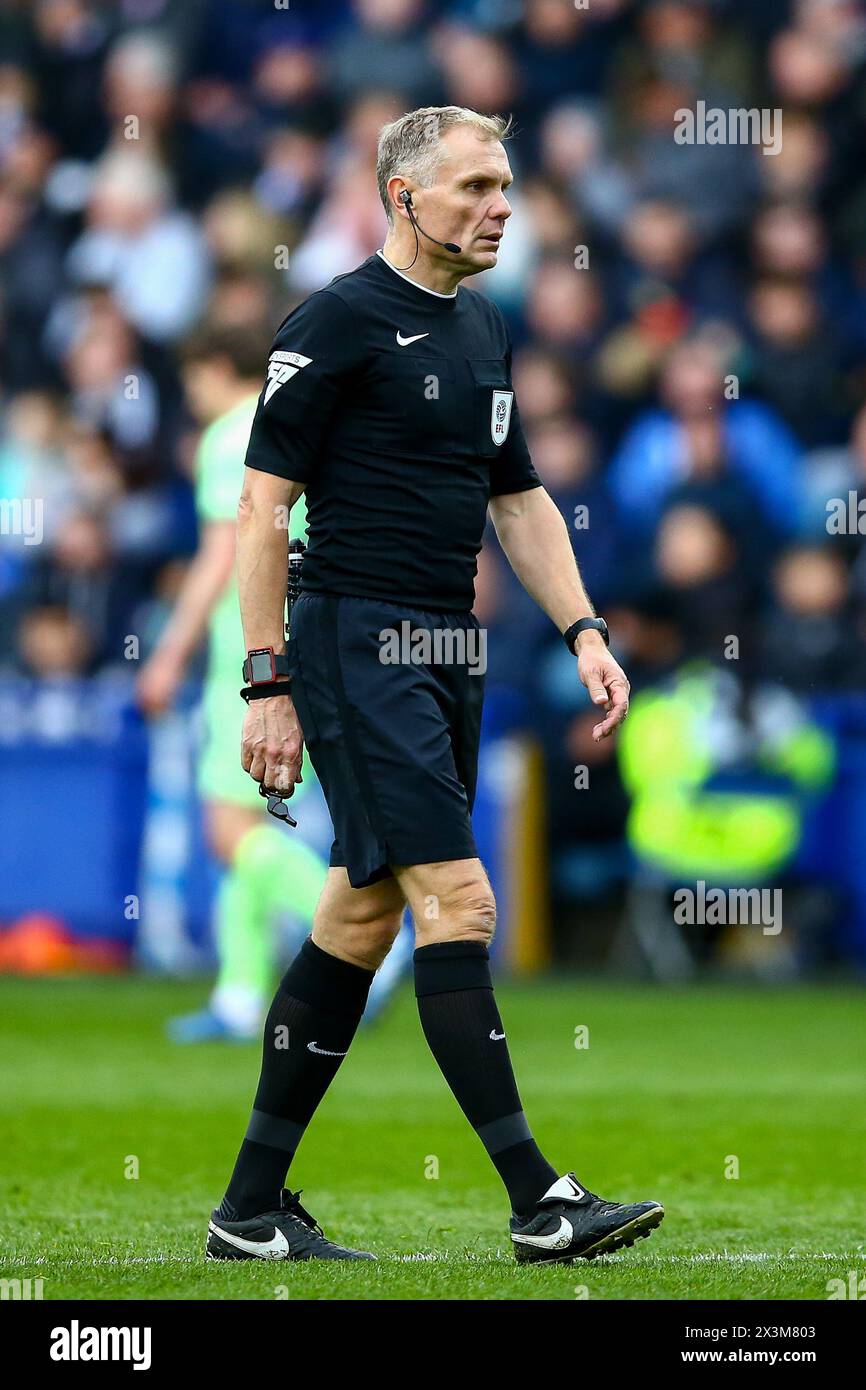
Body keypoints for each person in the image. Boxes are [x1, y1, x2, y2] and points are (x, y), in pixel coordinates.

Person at [206, 106, 664, 1265]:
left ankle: (249, 1210)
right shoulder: (337, 321)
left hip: (443, 649)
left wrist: (582, 628)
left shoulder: (483, 332)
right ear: (403, 197)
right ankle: (538, 1199)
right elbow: (261, 509)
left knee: (356, 919)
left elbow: (515, 502)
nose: (500, 206)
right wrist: (269, 681)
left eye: (505, 186)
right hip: (352, 642)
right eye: (473, 187)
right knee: (457, 903)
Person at [137, 328, 414, 1041]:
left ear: (212, 367)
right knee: (254, 828)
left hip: (254, 661)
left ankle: (373, 946)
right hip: (324, 646)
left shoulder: (229, 437)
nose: (189, 395)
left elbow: (220, 555)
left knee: (230, 831)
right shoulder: (308, 421)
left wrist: (169, 652)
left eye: (193, 378)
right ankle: (239, 993)